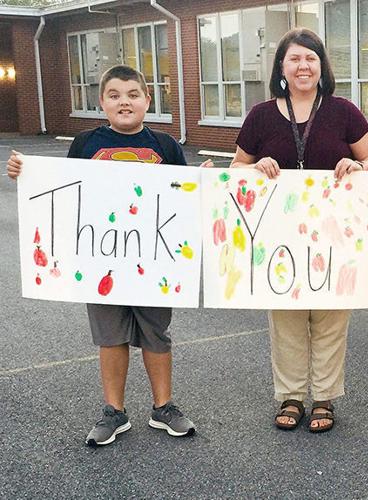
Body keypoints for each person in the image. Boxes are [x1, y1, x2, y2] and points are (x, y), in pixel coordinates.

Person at [6, 65, 210, 447]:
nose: (124, 102)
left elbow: (184, 198)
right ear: (102, 101)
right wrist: (26, 172)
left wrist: (205, 180)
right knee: (110, 336)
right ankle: (114, 411)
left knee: (156, 333)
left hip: (153, 262)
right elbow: (60, 188)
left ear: (148, 100)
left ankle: (162, 407)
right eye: (114, 95)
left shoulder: (165, 146)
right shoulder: (84, 143)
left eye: (133, 94)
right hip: (100, 261)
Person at [230, 28, 368, 433]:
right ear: (282, 67)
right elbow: (235, 169)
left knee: (331, 318)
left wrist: (356, 166)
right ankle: (292, 396)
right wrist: (255, 167)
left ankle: (325, 398)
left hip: (335, 236)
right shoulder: (261, 115)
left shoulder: (343, 111)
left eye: (310, 58)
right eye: (295, 58)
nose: (303, 66)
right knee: (287, 318)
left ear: (321, 66)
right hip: (280, 237)